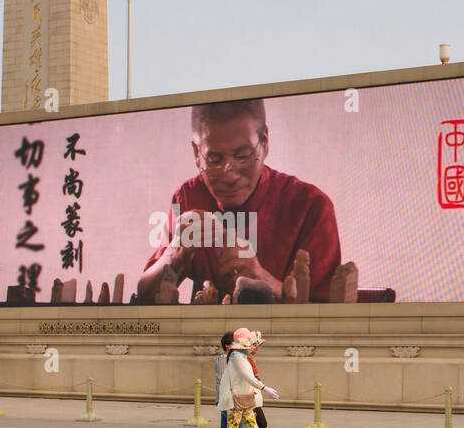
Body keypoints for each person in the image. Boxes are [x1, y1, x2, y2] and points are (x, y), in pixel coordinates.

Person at [138, 99, 342, 304]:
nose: (230, 175)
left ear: (264, 143)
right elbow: (144, 296)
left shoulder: (310, 207)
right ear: (197, 154)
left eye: (243, 156)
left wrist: (261, 278)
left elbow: (325, 319)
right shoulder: (189, 198)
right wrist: (174, 254)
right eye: (215, 160)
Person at [216, 328, 277, 428]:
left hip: (246, 398)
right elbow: (247, 376)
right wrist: (264, 388)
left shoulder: (239, 356)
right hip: (236, 399)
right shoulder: (237, 357)